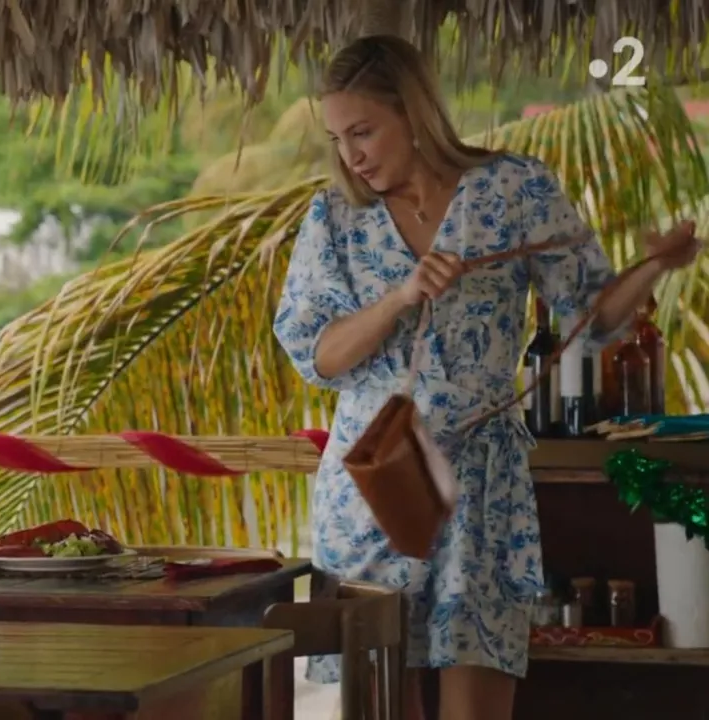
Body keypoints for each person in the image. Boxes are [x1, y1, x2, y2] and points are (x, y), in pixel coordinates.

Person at [273, 35, 701, 720]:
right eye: (337, 136)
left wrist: (655, 268)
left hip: (484, 490)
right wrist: (398, 297)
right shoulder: (334, 218)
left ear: (413, 114)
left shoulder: (516, 188)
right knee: (384, 708)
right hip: (377, 489)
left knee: (477, 709)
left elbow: (593, 317)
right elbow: (316, 355)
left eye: (363, 131)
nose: (350, 154)